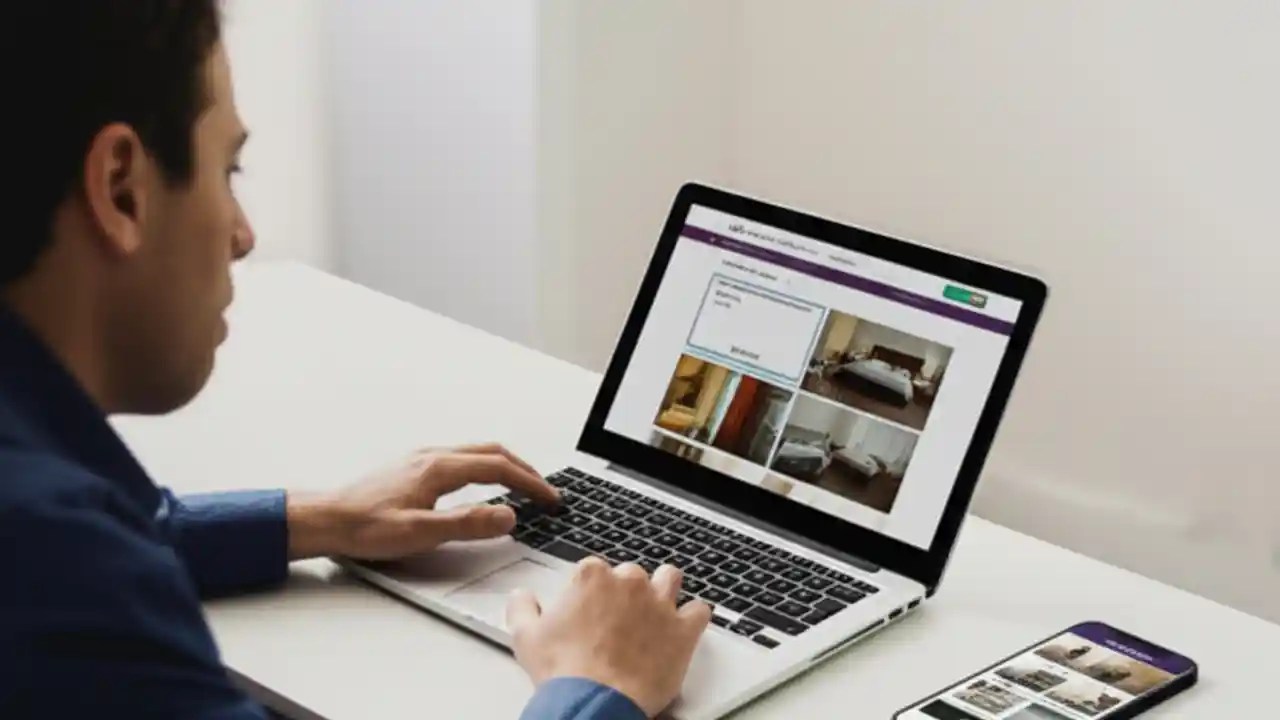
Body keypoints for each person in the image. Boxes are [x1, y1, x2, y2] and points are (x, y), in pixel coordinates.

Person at [0, 3, 710, 718]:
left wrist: (319, 519)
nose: (244, 236)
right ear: (121, 189)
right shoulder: (63, 574)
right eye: (228, 168)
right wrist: (595, 690)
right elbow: (57, 567)